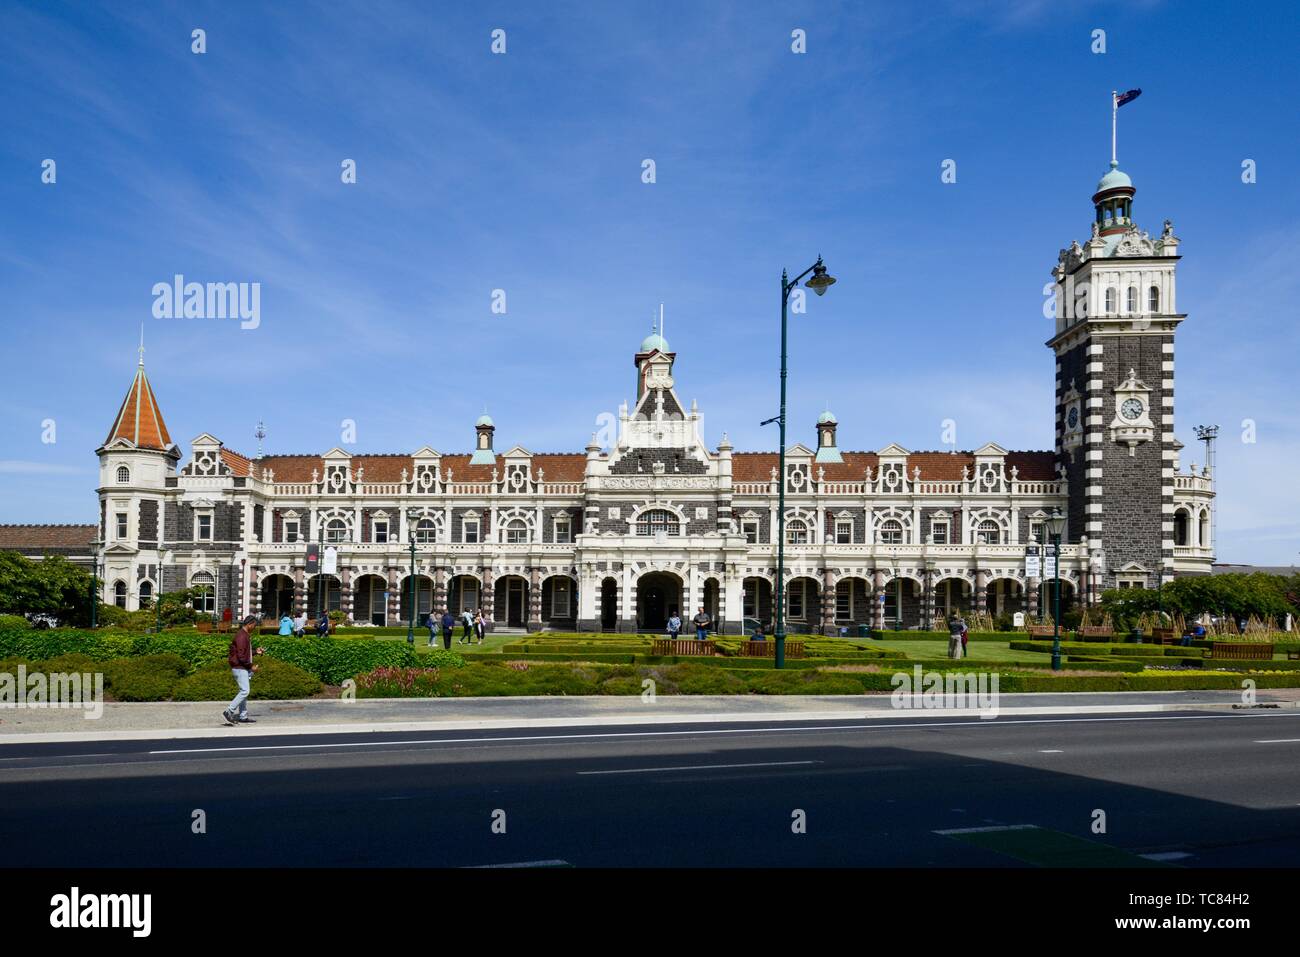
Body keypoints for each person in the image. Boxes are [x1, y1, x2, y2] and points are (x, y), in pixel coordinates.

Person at [223, 615, 265, 725]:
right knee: (245, 691)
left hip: (241, 667)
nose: (255, 627)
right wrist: (251, 666)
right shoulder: (242, 636)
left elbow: (244, 652)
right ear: (249, 624)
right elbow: (241, 656)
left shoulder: (244, 635)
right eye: (254, 625)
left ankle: (243, 715)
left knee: (243, 692)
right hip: (240, 667)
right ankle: (229, 711)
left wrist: (256, 651)